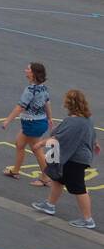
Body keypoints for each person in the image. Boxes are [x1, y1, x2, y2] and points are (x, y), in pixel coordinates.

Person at [33, 89, 99, 229]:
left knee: (78, 188)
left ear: (69, 103)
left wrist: (40, 143)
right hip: (79, 156)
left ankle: (88, 220)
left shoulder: (73, 121)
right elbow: (91, 134)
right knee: (58, 179)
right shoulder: (87, 118)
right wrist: (95, 144)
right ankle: (50, 205)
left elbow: (59, 137)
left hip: (75, 159)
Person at [2, 62, 54, 183]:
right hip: (38, 122)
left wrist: (7, 121)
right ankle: (15, 170)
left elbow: (20, 107)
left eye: (28, 69)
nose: (25, 70)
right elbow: (47, 103)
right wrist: (50, 117)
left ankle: (45, 177)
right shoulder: (43, 87)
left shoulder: (30, 90)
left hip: (32, 124)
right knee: (19, 144)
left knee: (37, 149)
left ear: (33, 73)